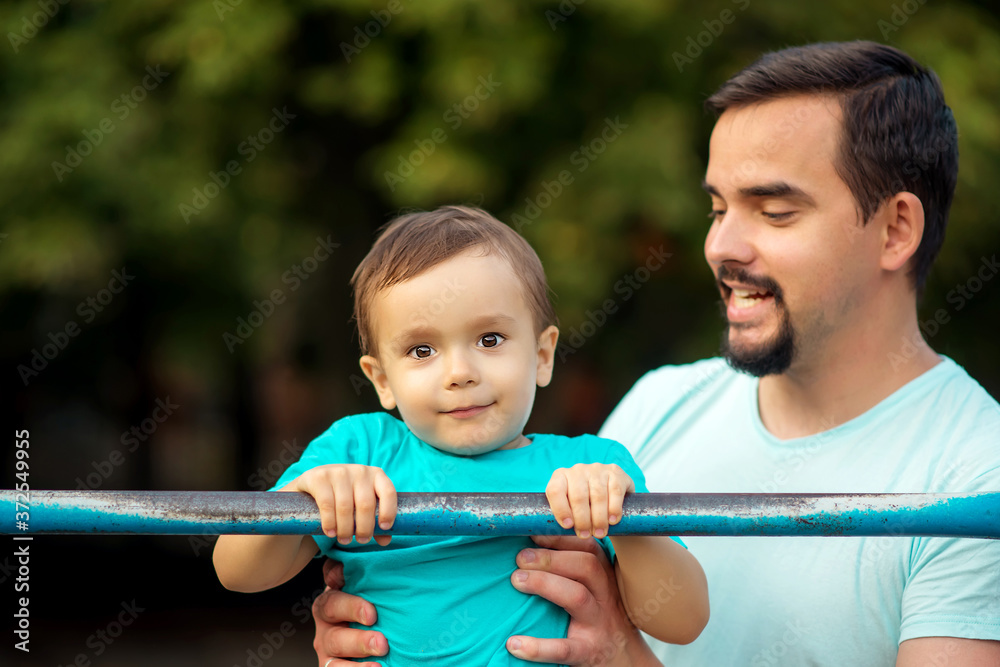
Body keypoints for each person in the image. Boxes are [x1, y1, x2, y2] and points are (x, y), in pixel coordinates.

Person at [311, 41, 1000, 666]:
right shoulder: (662, 402)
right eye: (718, 208)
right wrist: (385, 635)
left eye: (774, 210)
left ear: (895, 229)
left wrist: (620, 655)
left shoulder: (977, 476)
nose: (721, 247)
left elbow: (610, 639)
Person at [213, 205, 709, 666]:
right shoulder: (358, 452)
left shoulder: (591, 467)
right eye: (422, 350)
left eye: (490, 340)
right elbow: (237, 573)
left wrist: (629, 523)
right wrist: (304, 498)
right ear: (381, 378)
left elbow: (682, 620)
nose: (459, 372)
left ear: (542, 355)